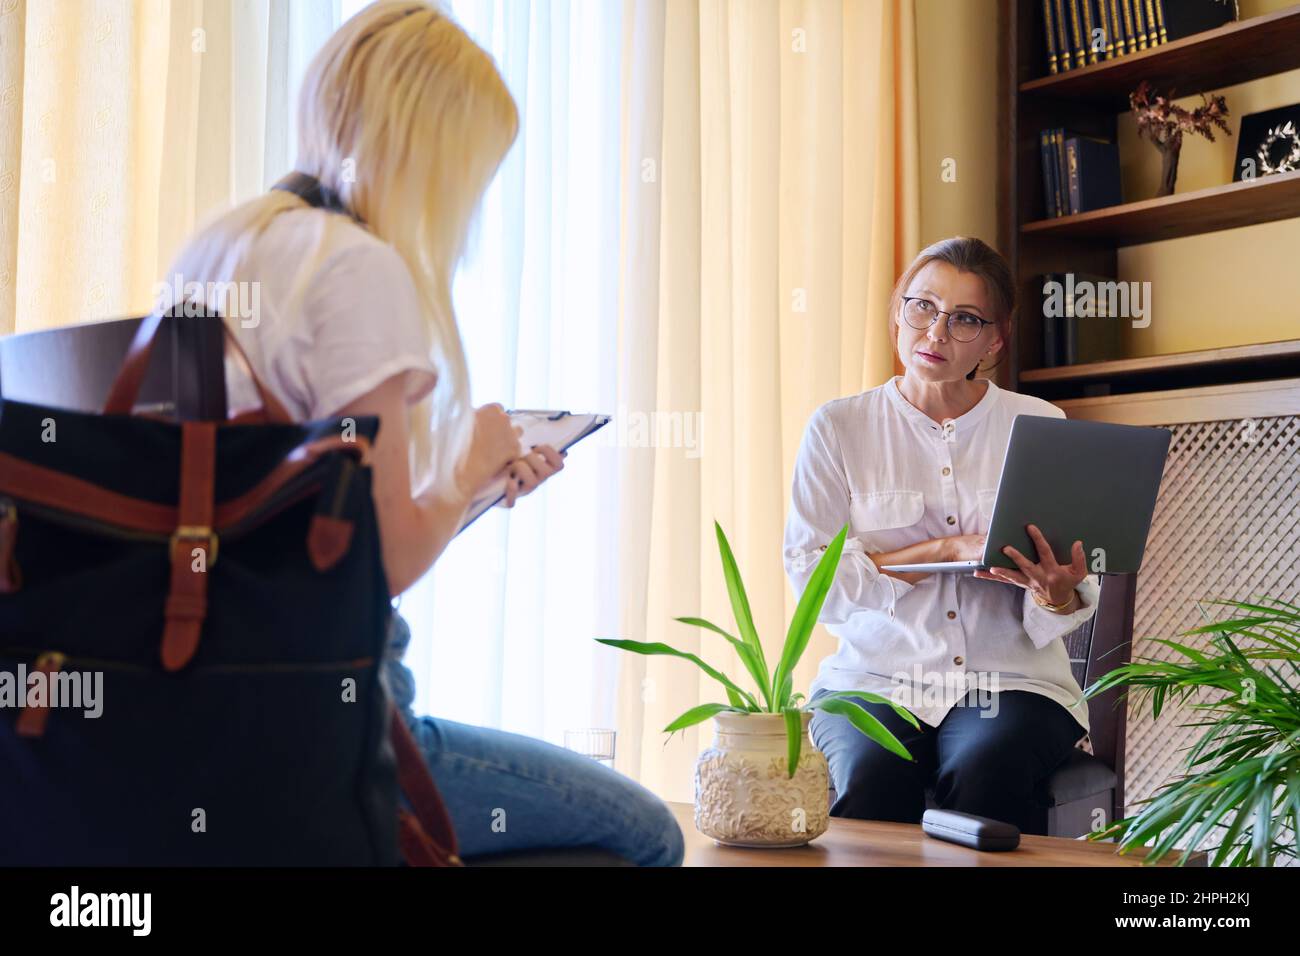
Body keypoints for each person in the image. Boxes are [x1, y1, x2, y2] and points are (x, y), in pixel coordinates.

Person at [163, 0, 683, 866]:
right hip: (337, 732)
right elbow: (380, 564)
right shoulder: (357, 269)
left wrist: (465, 483)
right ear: (430, 153)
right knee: (647, 833)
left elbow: (288, 511)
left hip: (208, 703)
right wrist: (468, 461)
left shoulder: (224, 246)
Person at [782, 236, 1101, 836]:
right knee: (872, 773)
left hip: (1012, 680)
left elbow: (1069, 594)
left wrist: (1055, 592)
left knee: (985, 765)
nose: (935, 333)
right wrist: (943, 550)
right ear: (898, 311)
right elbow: (813, 582)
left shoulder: (1038, 425)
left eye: (965, 320)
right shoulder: (838, 427)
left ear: (994, 340)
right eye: (921, 307)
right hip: (874, 678)